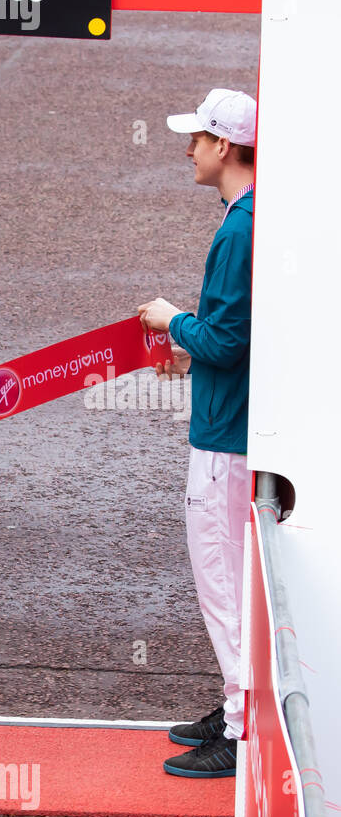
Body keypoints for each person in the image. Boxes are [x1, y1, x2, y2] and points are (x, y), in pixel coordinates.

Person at [137, 89, 256, 779]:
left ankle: (240, 730)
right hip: (234, 428)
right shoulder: (246, 221)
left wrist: (172, 321)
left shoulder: (239, 229)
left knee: (221, 585)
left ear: (223, 146)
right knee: (231, 583)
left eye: (197, 139)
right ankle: (236, 707)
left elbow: (226, 338)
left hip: (222, 439)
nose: (188, 149)